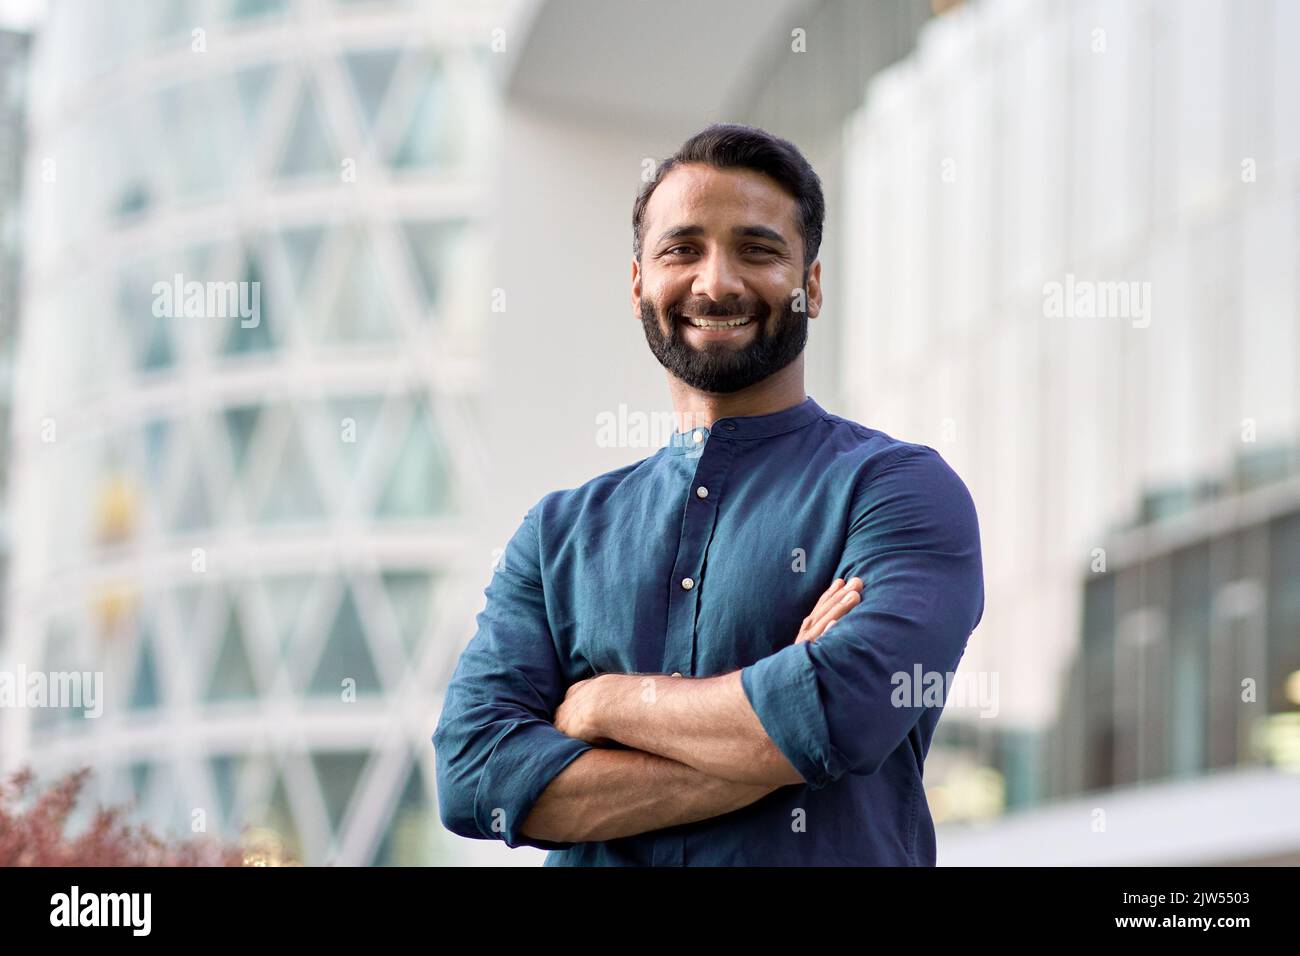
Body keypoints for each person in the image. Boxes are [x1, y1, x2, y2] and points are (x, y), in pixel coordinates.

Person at [433, 123, 984, 865]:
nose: (716, 282)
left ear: (810, 286)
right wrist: (769, 732)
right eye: (681, 249)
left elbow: (844, 710)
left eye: (757, 251)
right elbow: (472, 777)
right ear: (638, 286)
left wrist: (603, 704)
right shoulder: (557, 534)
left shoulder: (900, 491)